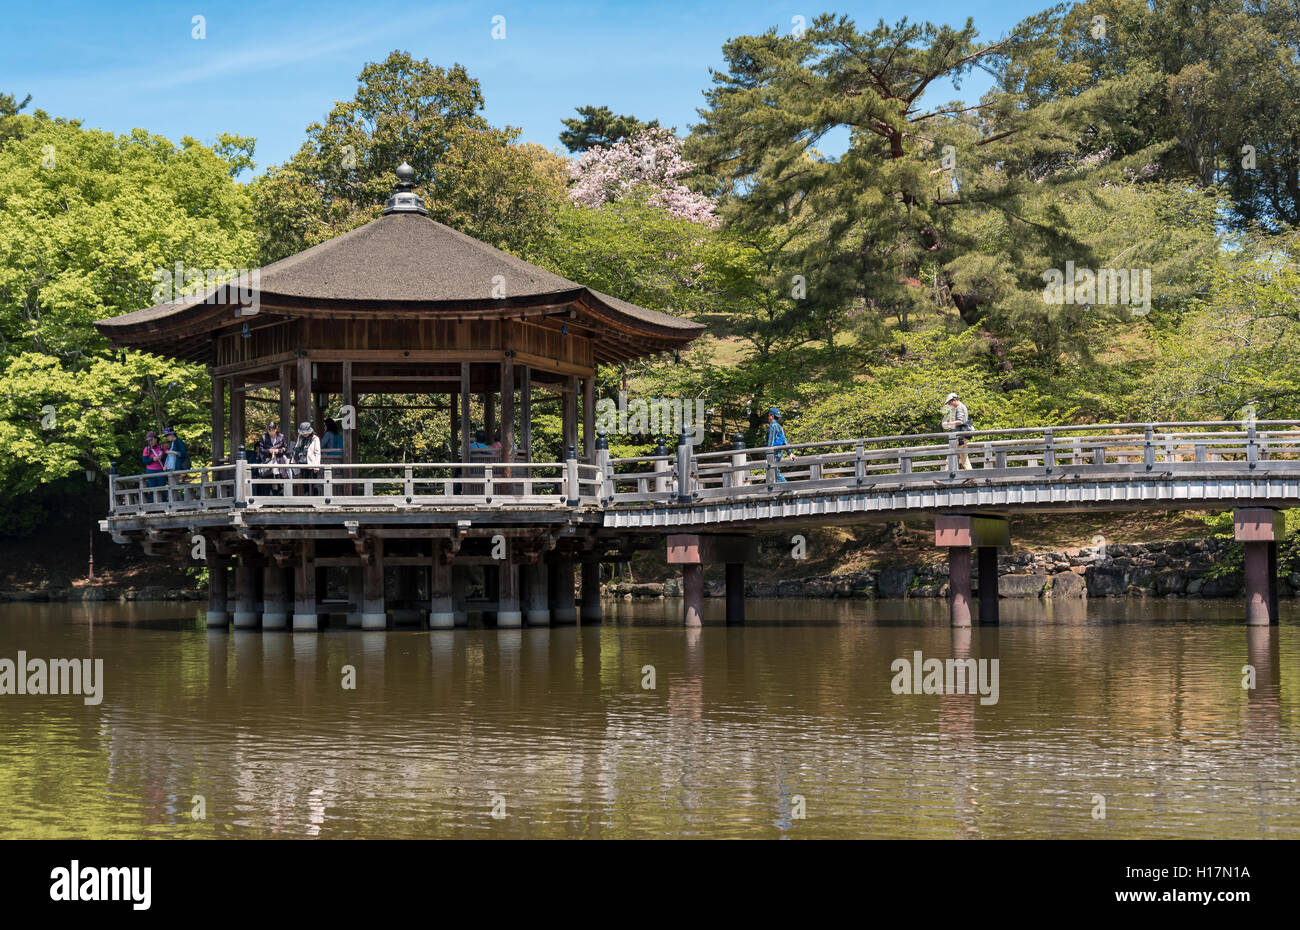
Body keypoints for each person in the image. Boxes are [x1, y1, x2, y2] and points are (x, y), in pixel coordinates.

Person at [941, 392, 974, 469]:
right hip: (964, 434)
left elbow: (960, 422)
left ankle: (945, 475)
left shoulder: (959, 407)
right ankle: (971, 476)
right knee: (964, 457)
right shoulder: (959, 407)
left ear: (954, 400)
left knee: (951, 453)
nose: (949, 405)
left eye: (949, 403)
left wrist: (948, 424)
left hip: (962, 435)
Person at [256, 421, 289, 495]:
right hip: (268, 461)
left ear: (276, 429)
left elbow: (285, 448)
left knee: (280, 481)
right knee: (268, 481)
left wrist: (278, 450)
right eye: (269, 430)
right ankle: (268, 503)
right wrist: (268, 451)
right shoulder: (263, 437)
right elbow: (261, 449)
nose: (271, 432)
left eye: (272, 430)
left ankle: (281, 502)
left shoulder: (281, 436)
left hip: (279, 461)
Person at [292, 422, 321, 495]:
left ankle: (315, 501)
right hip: (302, 463)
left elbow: (317, 452)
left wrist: (316, 466)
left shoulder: (315, 438)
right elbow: (296, 448)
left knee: (314, 484)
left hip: (312, 463)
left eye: (305, 432)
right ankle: (306, 503)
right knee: (305, 484)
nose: (304, 434)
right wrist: (294, 460)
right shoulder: (300, 437)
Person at [141, 430, 167, 502]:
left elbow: (167, 459)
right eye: (148, 441)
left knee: (162, 488)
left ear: (155, 439)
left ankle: (165, 504)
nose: (150, 442)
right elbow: (145, 461)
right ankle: (152, 506)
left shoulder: (162, 447)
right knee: (152, 489)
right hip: (150, 471)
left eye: (151, 440)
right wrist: (153, 459)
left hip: (161, 470)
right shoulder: (147, 449)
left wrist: (165, 465)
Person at [765, 406, 789, 482]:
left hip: (773, 454)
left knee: (775, 473)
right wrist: (790, 452)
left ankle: (789, 489)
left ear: (772, 416)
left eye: (769, 415)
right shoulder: (779, 426)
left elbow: (770, 441)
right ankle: (775, 492)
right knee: (774, 473)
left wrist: (768, 454)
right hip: (778, 452)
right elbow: (784, 440)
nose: (768, 417)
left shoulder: (772, 426)